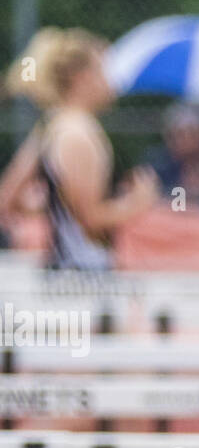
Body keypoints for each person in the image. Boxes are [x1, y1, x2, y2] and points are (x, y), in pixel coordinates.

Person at [2, 28, 159, 271]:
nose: (113, 81)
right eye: (105, 71)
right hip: (81, 277)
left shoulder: (53, 124)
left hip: (69, 268)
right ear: (82, 77)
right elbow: (90, 221)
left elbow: (8, 197)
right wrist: (137, 203)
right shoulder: (78, 134)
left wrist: (49, 204)